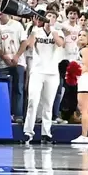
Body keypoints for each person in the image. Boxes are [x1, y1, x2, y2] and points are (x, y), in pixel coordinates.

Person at [23, 10, 62, 144]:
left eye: (53, 16)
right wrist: (34, 27)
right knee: (33, 101)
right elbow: (29, 44)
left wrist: (52, 28)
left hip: (52, 73)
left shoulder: (57, 31)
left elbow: (60, 43)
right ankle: (28, 132)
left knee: (48, 104)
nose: (50, 18)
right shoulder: (36, 31)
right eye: (49, 16)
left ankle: (46, 133)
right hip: (37, 71)